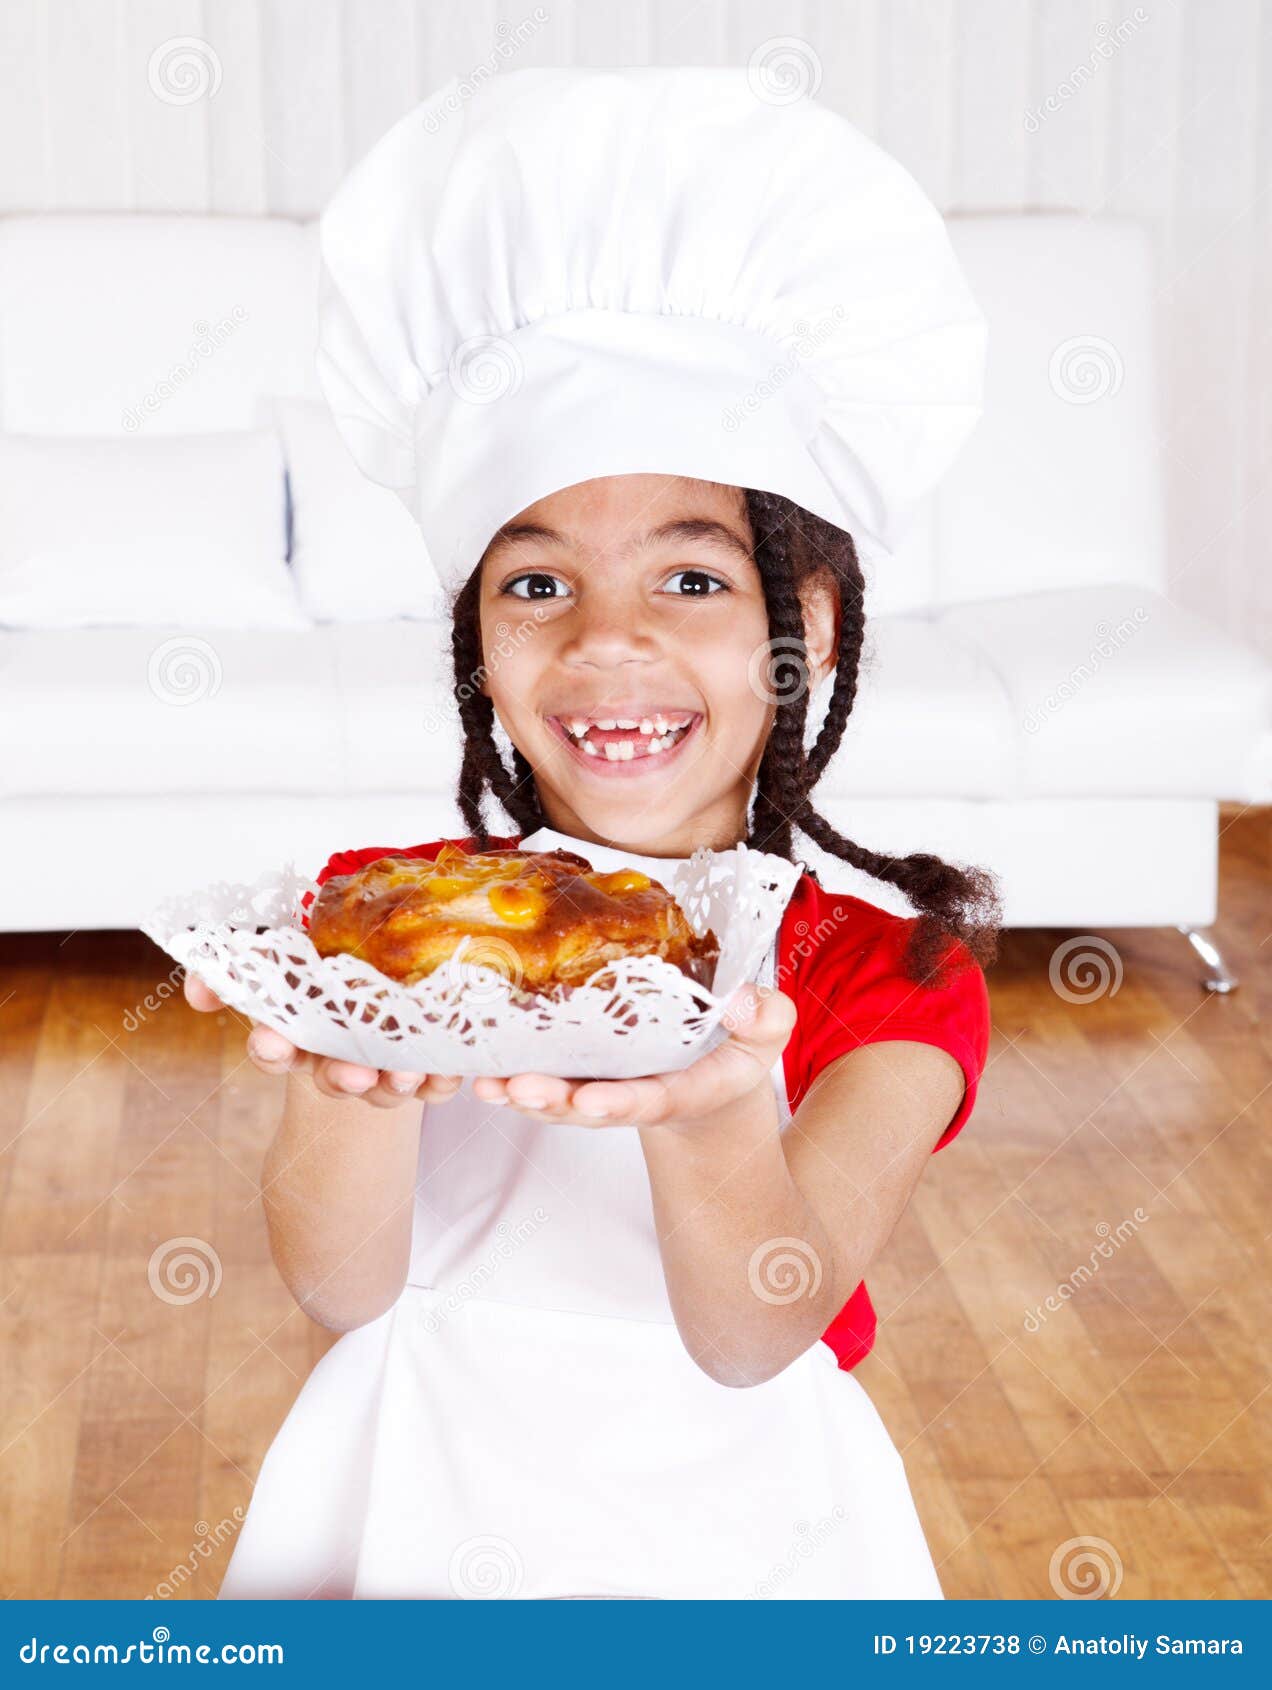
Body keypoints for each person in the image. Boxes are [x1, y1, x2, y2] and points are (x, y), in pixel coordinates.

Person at [192, 68, 999, 1599]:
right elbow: (340, 1287)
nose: (607, 640)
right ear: (476, 641)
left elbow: (756, 1330)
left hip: (747, 1542)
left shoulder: (889, 981)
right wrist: (353, 1080)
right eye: (536, 582)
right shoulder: (383, 921)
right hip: (412, 1493)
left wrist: (707, 1110)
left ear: (812, 627)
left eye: (692, 580)